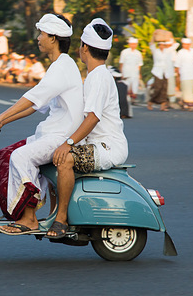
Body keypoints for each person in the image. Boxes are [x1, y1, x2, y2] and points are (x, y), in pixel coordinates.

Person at [0, 13, 84, 235]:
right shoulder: (60, 65)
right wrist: (4, 121)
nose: (38, 38)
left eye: (42, 34)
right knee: (4, 154)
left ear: (54, 38)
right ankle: (16, 212)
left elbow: (33, 97)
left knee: (20, 156)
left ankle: (29, 219)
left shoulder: (62, 67)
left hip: (61, 137)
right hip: (49, 133)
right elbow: (36, 105)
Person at [46, 18, 128, 238]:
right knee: (53, 153)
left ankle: (61, 220)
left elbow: (92, 119)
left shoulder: (98, 77)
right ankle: (55, 213)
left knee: (65, 158)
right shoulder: (96, 76)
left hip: (107, 147)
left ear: (84, 48)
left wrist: (68, 143)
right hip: (98, 143)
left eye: (80, 46)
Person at [147, 32, 173, 111]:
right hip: (157, 72)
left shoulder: (168, 51)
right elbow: (151, 44)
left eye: (163, 45)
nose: (162, 47)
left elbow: (175, 45)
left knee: (164, 88)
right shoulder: (156, 51)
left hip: (166, 72)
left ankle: (163, 105)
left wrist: (170, 36)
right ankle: (151, 101)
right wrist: (154, 36)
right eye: (160, 45)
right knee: (158, 88)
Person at [175, 38, 193, 110]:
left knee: (190, 88)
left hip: (192, 73)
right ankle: (188, 104)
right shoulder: (180, 52)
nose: (185, 46)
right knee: (185, 88)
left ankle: (183, 102)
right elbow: (177, 64)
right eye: (184, 44)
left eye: (187, 44)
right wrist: (177, 74)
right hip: (184, 73)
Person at [119, 37, 143, 109]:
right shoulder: (124, 52)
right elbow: (121, 63)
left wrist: (139, 73)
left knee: (135, 86)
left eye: (135, 44)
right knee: (127, 86)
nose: (133, 45)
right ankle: (127, 100)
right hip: (126, 71)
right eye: (132, 44)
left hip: (135, 72)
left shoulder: (138, 53)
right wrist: (121, 72)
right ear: (129, 44)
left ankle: (133, 100)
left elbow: (139, 64)